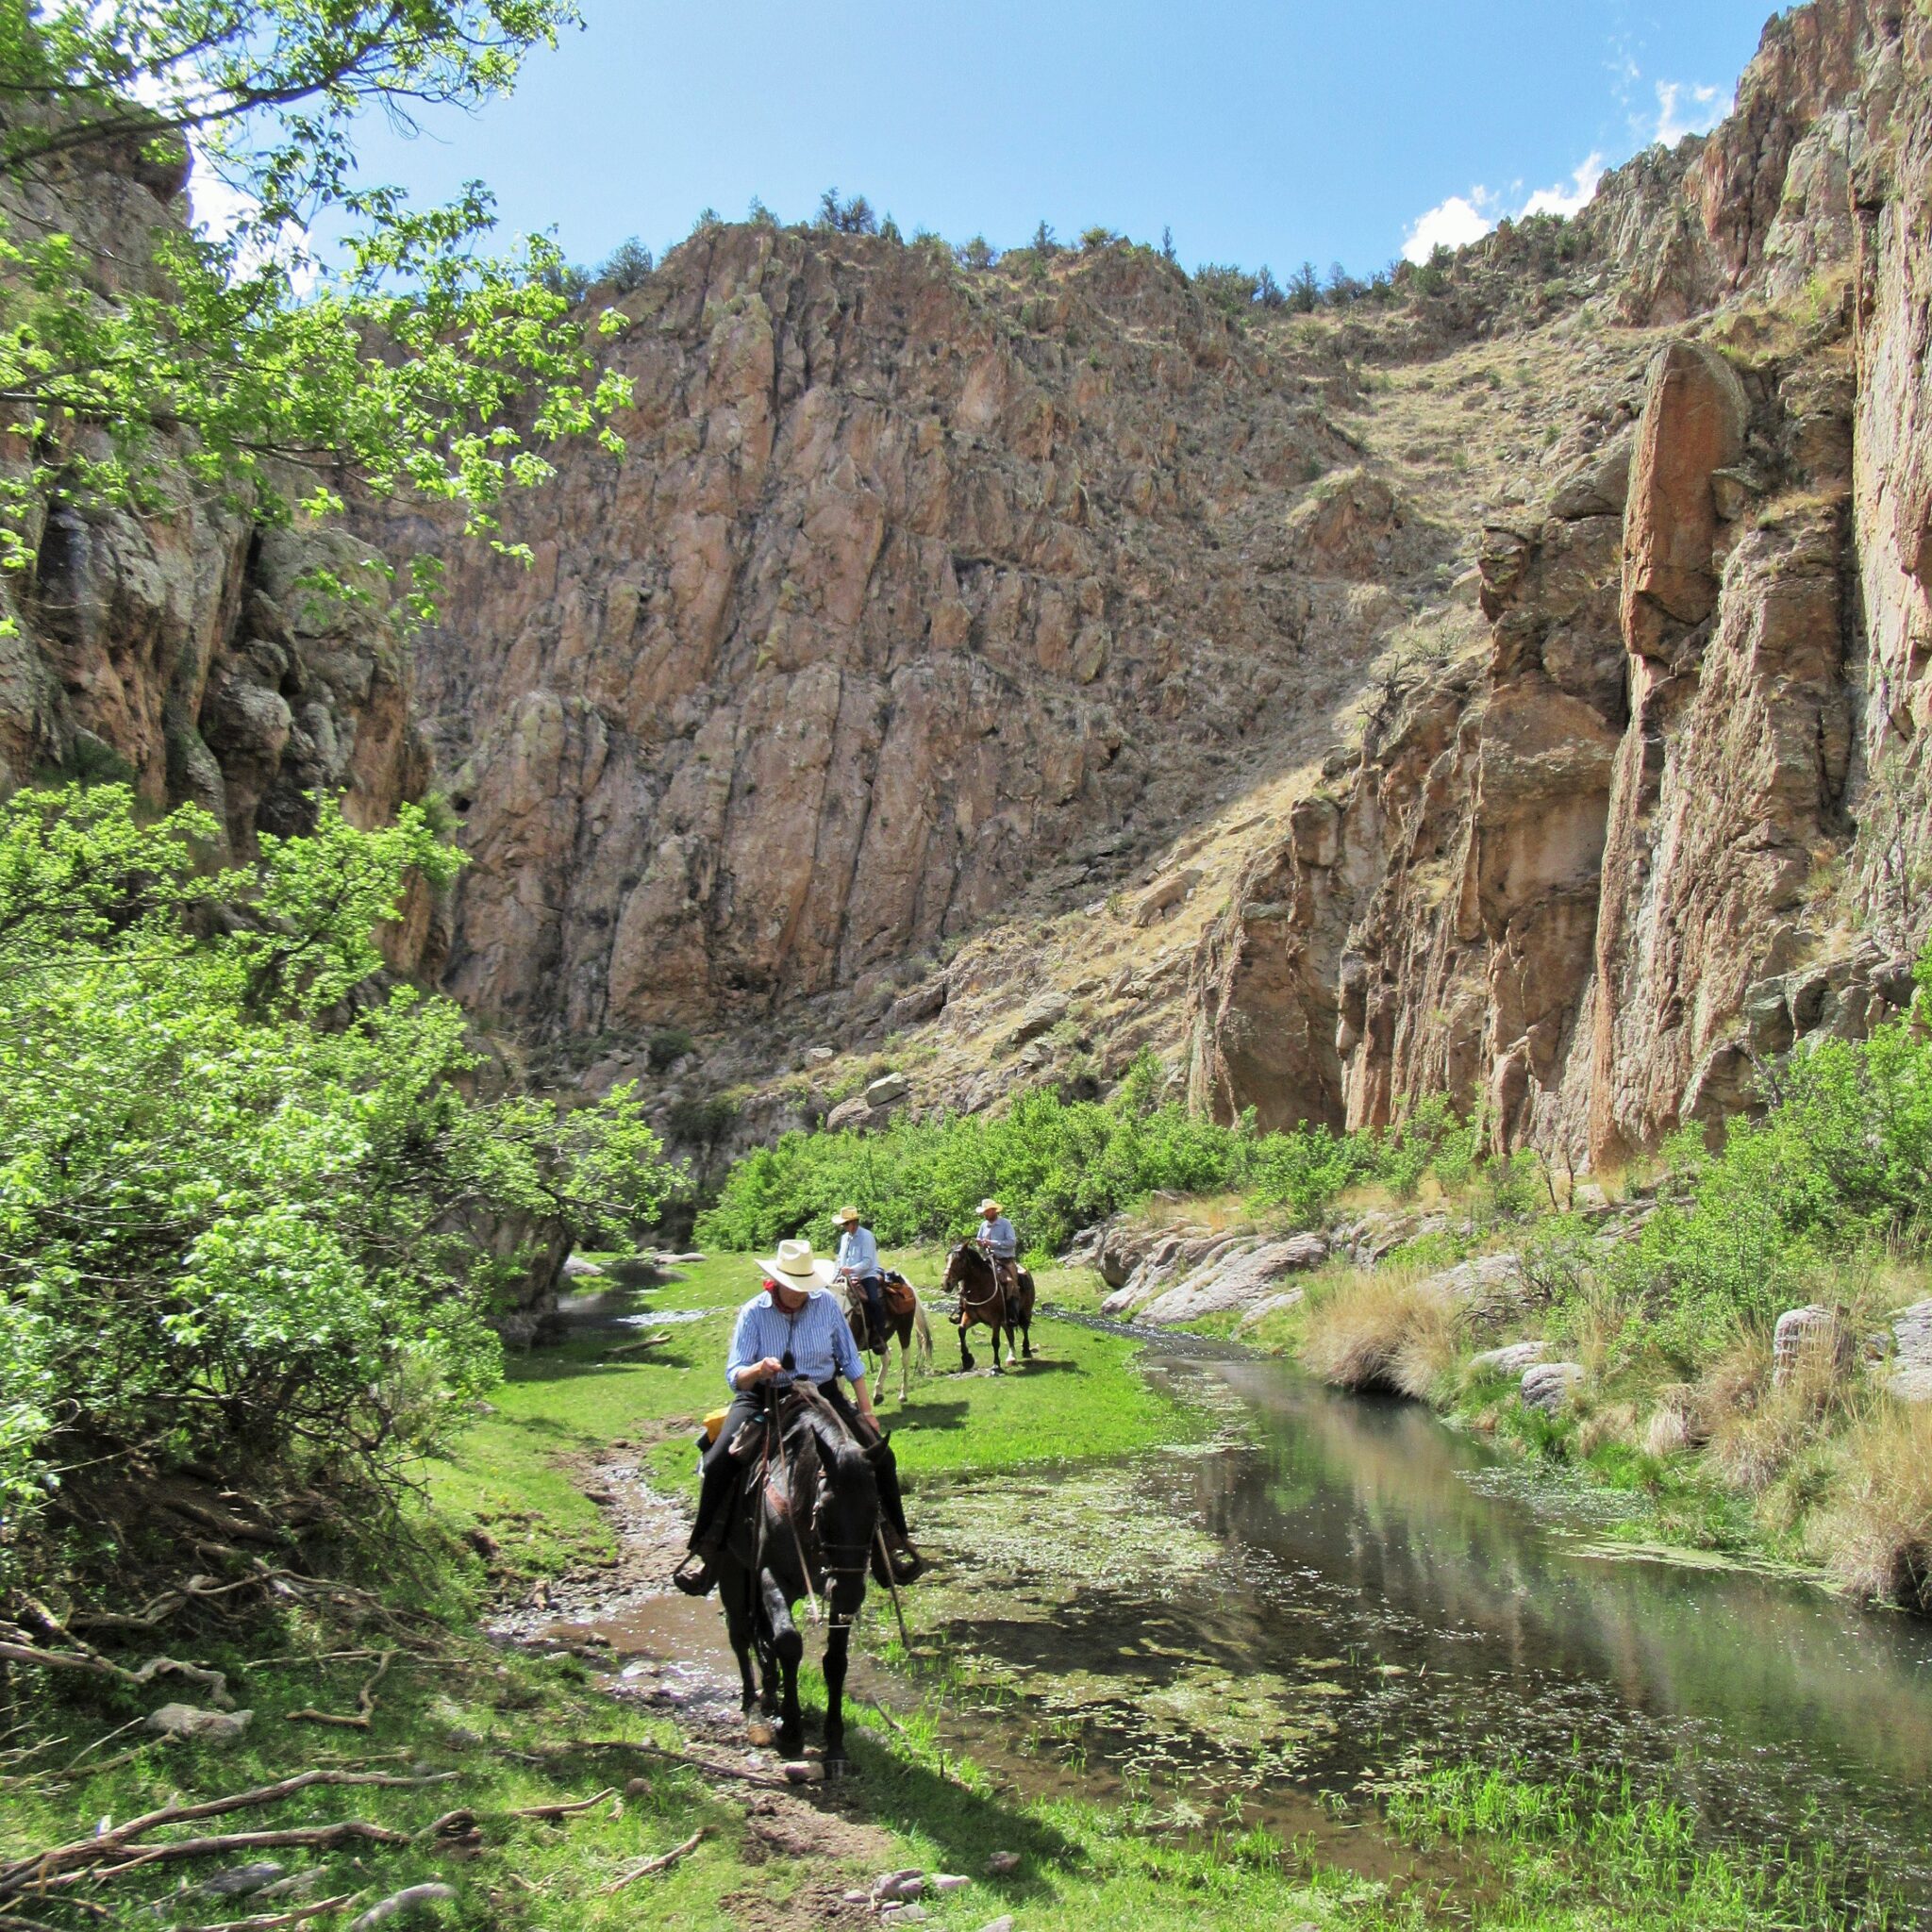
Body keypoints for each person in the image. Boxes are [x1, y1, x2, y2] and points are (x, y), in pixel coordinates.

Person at [673, 1239, 921, 1597]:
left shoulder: (825, 1307)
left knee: (880, 1458)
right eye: (793, 1287)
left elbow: (850, 1361)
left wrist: (866, 1411)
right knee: (717, 1463)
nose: (799, 1294)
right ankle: (706, 1550)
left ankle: (894, 1543)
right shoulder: (754, 1312)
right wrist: (759, 1368)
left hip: (822, 1393)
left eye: (805, 1286)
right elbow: (734, 1374)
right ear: (776, 1281)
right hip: (764, 1395)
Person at [834, 1205, 886, 1349]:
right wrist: (836, 1275)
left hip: (867, 1274)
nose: (844, 1227)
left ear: (854, 1222)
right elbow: (840, 1259)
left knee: (874, 1301)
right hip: (847, 1275)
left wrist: (850, 1270)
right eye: (843, 1224)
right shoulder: (845, 1238)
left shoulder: (866, 1236)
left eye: (846, 1223)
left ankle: (879, 1334)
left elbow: (867, 1261)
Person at [975, 1197, 1021, 1312]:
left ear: (993, 1211)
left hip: (1004, 1260)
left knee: (1010, 1282)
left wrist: (993, 1243)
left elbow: (1012, 1242)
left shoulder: (1005, 1224)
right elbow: (980, 1239)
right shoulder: (983, 1225)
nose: (985, 1214)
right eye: (984, 1212)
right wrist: (980, 1243)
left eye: (986, 1211)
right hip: (987, 1260)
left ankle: (1011, 1311)